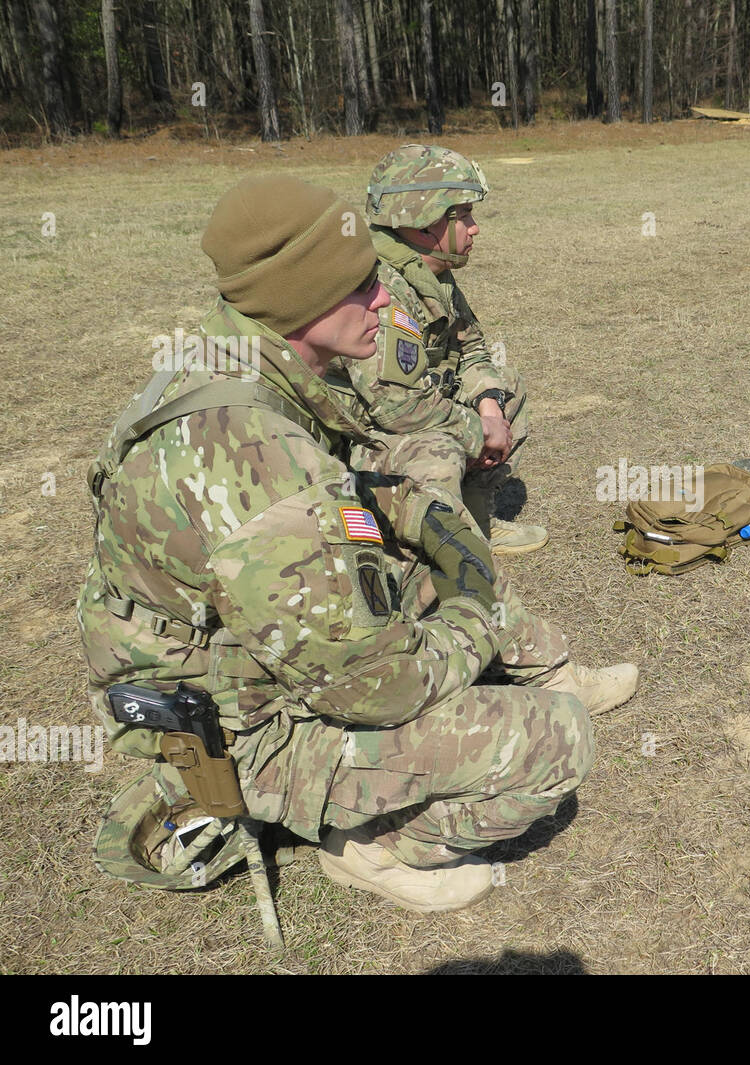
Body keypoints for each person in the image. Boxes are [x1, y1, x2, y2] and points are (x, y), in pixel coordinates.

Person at [78, 175, 634, 914]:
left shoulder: (235, 363)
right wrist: (470, 617)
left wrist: (413, 514)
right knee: (558, 743)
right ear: (301, 302)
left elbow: (327, 504)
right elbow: (376, 690)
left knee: (436, 567)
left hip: (229, 653)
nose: (384, 300)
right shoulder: (258, 460)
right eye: (360, 286)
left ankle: (546, 665)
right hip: (227, 727)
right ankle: (372, 845)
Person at [350, 144, 545, 555]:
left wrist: (490, 405)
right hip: (363, 439)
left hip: (417, 405)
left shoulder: (429, 271)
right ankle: (429, 552)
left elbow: (471, 346)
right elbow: (396, 409)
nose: (475, 228)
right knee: (439, 451)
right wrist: (478, 431)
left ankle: (474, 525)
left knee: (506, 386)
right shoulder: (382, 285)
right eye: (464, 216)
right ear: (423, 222)